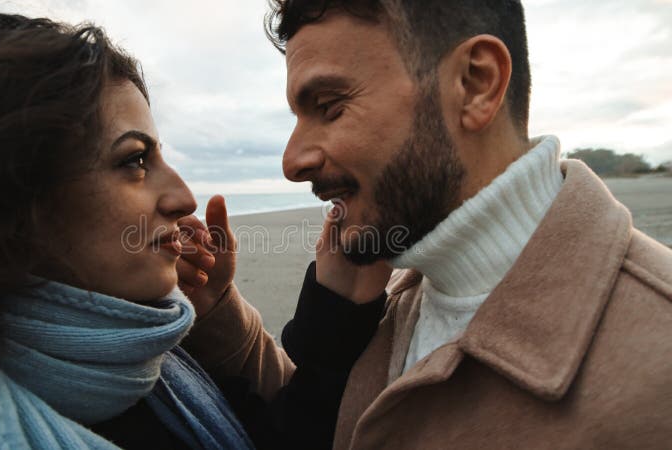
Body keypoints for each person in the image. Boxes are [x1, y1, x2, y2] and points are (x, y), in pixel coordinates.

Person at [0, 13, 385, 450]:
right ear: (8, 206)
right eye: (135, 160)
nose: (184, 198)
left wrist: (222, 307)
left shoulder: (140, 361)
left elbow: (277, 435)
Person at [256, 0, 672, 448]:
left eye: (330, 106)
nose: (293, 161)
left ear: (475, 84)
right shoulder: (380, 305)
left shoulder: (658, 361)